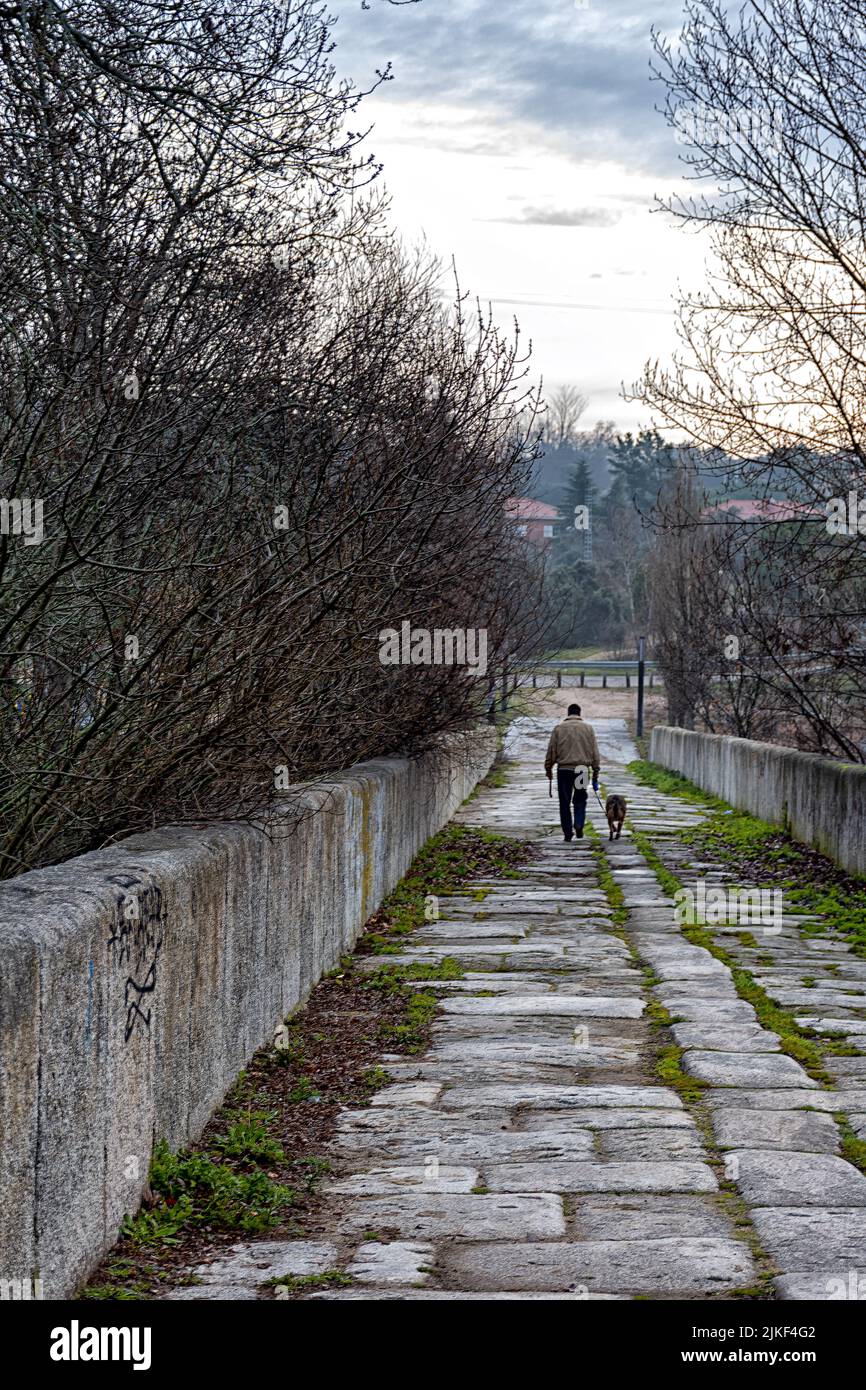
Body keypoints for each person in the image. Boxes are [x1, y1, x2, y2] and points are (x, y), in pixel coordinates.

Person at [544, 703, 601, 841]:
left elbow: (552, 750)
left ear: (568, 714)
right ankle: (579, 824)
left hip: (564, 770)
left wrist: (548, 768)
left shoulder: (559, 729)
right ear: (579, 714)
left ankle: (568, 833)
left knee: (564, 802)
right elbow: (595, 751)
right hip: (582, 770)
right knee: (580, 799)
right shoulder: (588, 729)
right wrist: (595, 771)